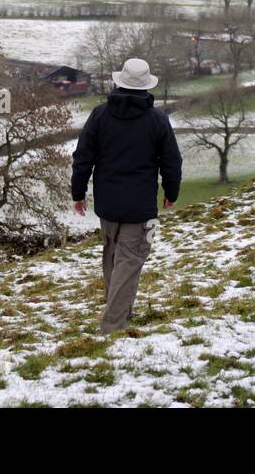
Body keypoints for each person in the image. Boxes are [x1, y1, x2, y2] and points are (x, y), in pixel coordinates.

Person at [71, 57, 182, 334]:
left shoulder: (99, 115)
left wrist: (79, 192)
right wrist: (171, 192)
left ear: (119, 83)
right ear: (146, 87)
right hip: (141, 207)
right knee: (130, 261)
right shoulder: (158, 120)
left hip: (107, 204)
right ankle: (112, 326)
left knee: (113, 259)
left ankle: (118, 311)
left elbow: (83, 157)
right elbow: (172, 161)